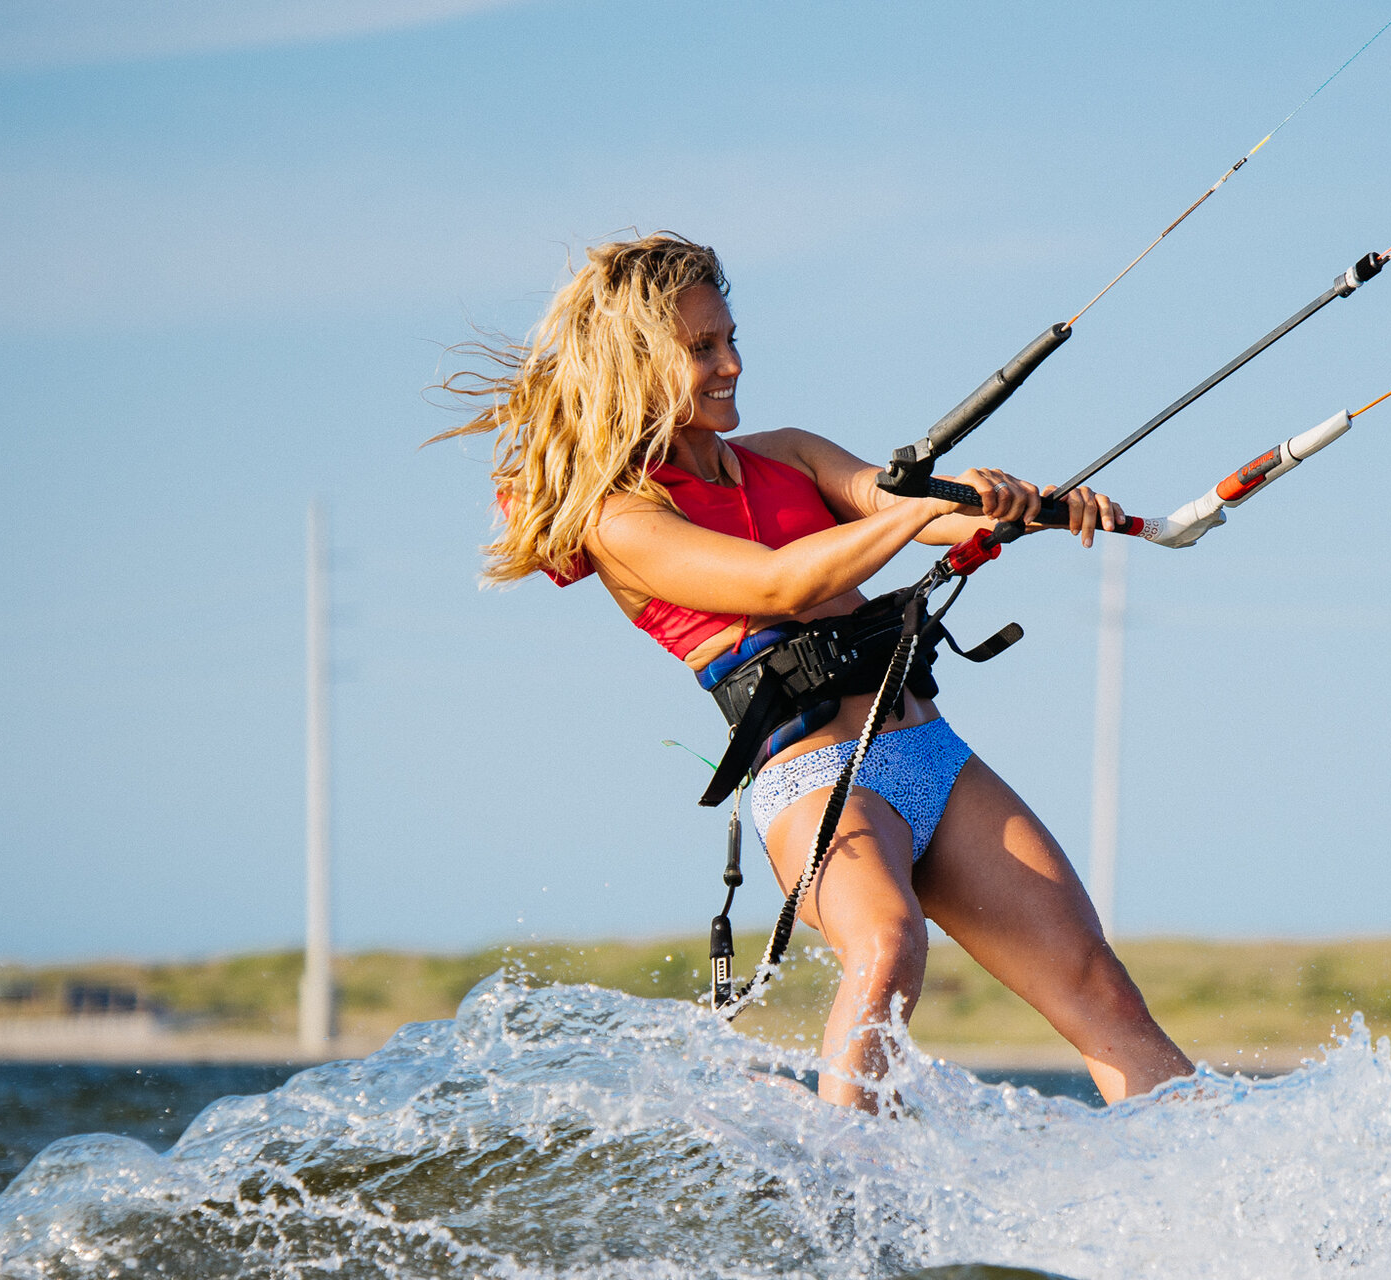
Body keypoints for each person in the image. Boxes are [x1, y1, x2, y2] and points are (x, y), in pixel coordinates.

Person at [435, 234, 1191, 1108]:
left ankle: (1211, 1183)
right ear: (635, 363)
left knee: (1098, 982)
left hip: (931, 754)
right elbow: (783, 580)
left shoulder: (788, 453)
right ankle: (847, 1207)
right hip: (816, 780)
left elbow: (900, 503)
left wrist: (1036, 507)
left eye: (730, 338)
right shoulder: (621, 521)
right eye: (702, 349)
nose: (732, 364)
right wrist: (920, 511)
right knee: (885, 945)